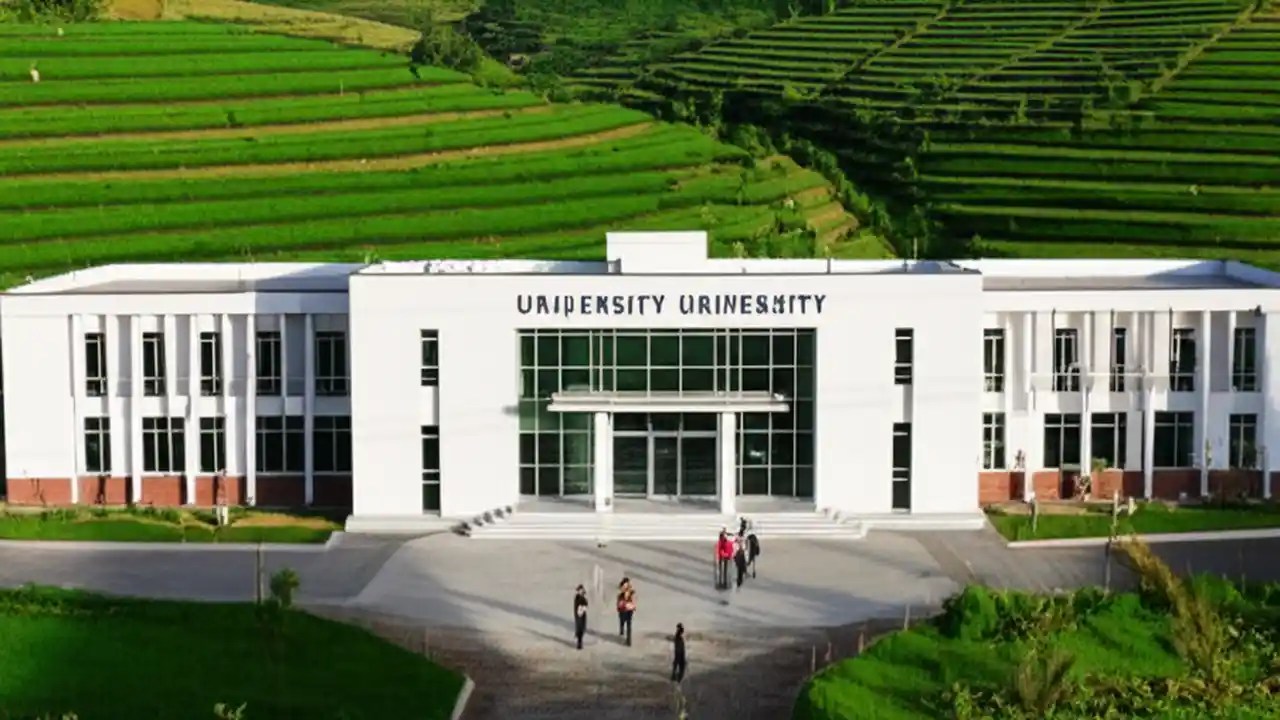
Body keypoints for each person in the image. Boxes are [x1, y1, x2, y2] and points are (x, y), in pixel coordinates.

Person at [616, 577, 636, 647]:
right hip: (622, 609)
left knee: (629, 624)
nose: (627, 585)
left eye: (627, 583)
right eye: (625, 583)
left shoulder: (631, 592)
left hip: (629, 610)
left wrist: (633, 606)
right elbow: (619, 601)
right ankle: (621, 628)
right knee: (622, 620)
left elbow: (633, 600)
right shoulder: (621, 593)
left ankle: (629, 640)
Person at [573, 584, 589, 650]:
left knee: (582, 628)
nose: (581, 591)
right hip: (578, 615)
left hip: (583, 615)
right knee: (579, 628)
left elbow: (586, 604)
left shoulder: (583, 597)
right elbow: (576, 607)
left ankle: (580, 641)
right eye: (580, 590)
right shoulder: (577, 598)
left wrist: (584, 607)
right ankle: (579, 643)